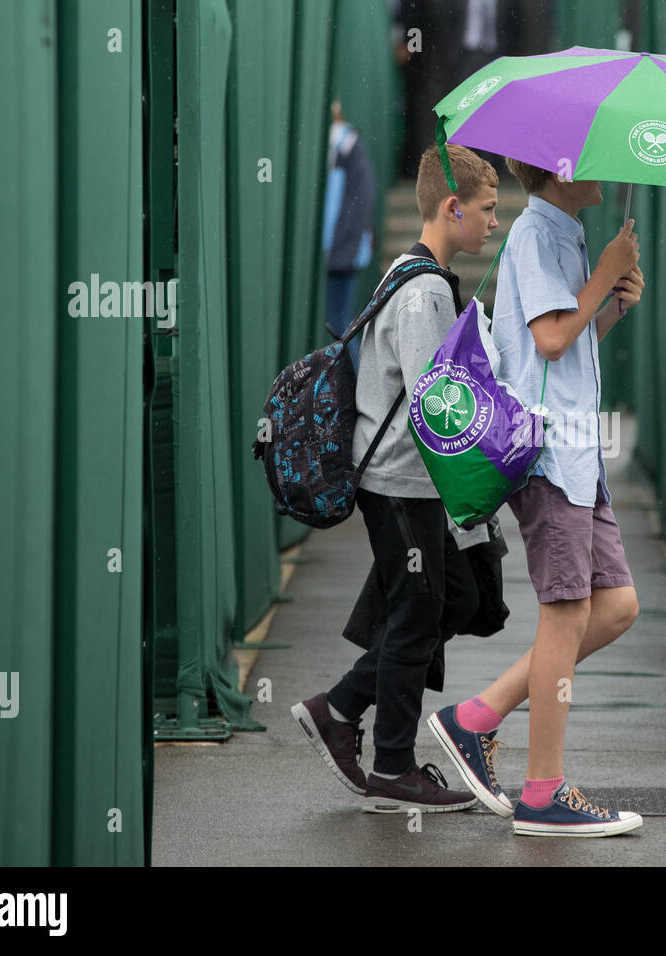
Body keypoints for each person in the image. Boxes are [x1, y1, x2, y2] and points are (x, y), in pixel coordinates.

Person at [427, 158, 647, 836]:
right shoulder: (536, 234)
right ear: (562, 170)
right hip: (553, 458)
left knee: (613, 608)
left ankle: (475, 718)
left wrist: (607, 305)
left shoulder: (561, 232)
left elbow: (563, 349)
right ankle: (543, 793)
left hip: (580, 460)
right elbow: (551, 341)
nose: (611, 169)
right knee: (566, 616)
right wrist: (606, 274)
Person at [293, 143, 501, 813]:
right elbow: (435, 405)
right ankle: (392, 767)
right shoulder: (424, 293)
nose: (493, 223)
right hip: (402, 485)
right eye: (488, 210)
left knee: (454, 602)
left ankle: (340, 707)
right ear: (452, 207)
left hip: (408, 485)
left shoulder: (416, 276)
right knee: (417, 614)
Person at [323, 101, 377, 365]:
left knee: (339, 322)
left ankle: (355, 385)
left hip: (341, 253)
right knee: (338, 321)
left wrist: (338, 252)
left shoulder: (346, 149)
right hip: (340, 251)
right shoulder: (345, 148)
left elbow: (355, 208)